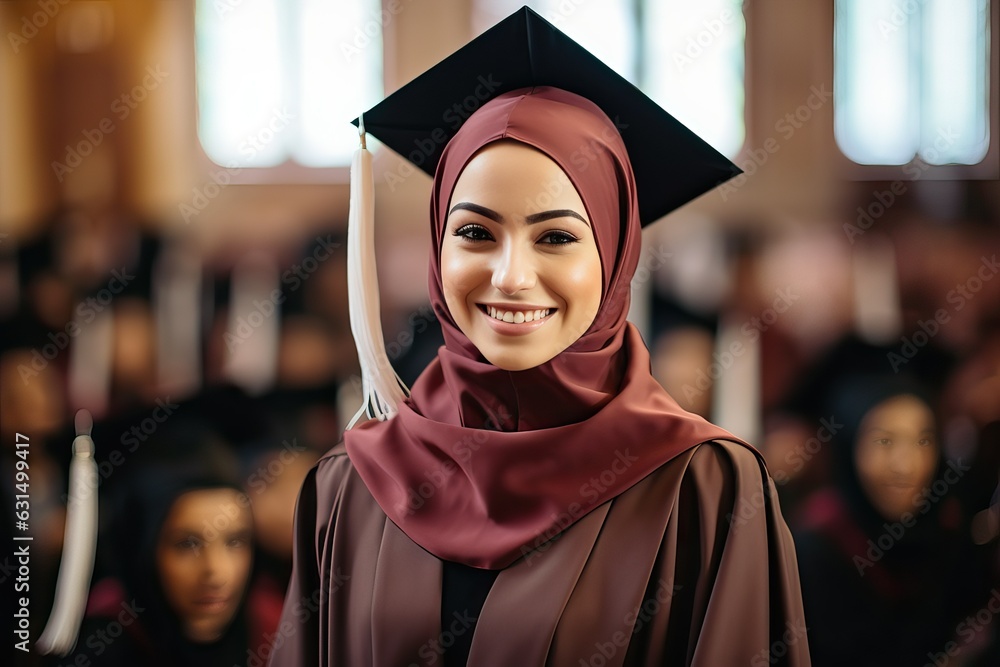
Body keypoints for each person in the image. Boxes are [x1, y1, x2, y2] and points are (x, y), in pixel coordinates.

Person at [272, 8, 809, 666]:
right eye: (475, 232)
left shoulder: (705, 488)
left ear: (615, 255)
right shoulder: (352, 487)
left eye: (555, 236)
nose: (511, 275)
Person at [792, 377, 982, 666]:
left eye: (923, 440)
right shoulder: (816, 549)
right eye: (884, 441)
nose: (905, 466)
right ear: (849, 447)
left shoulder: (952, 528)